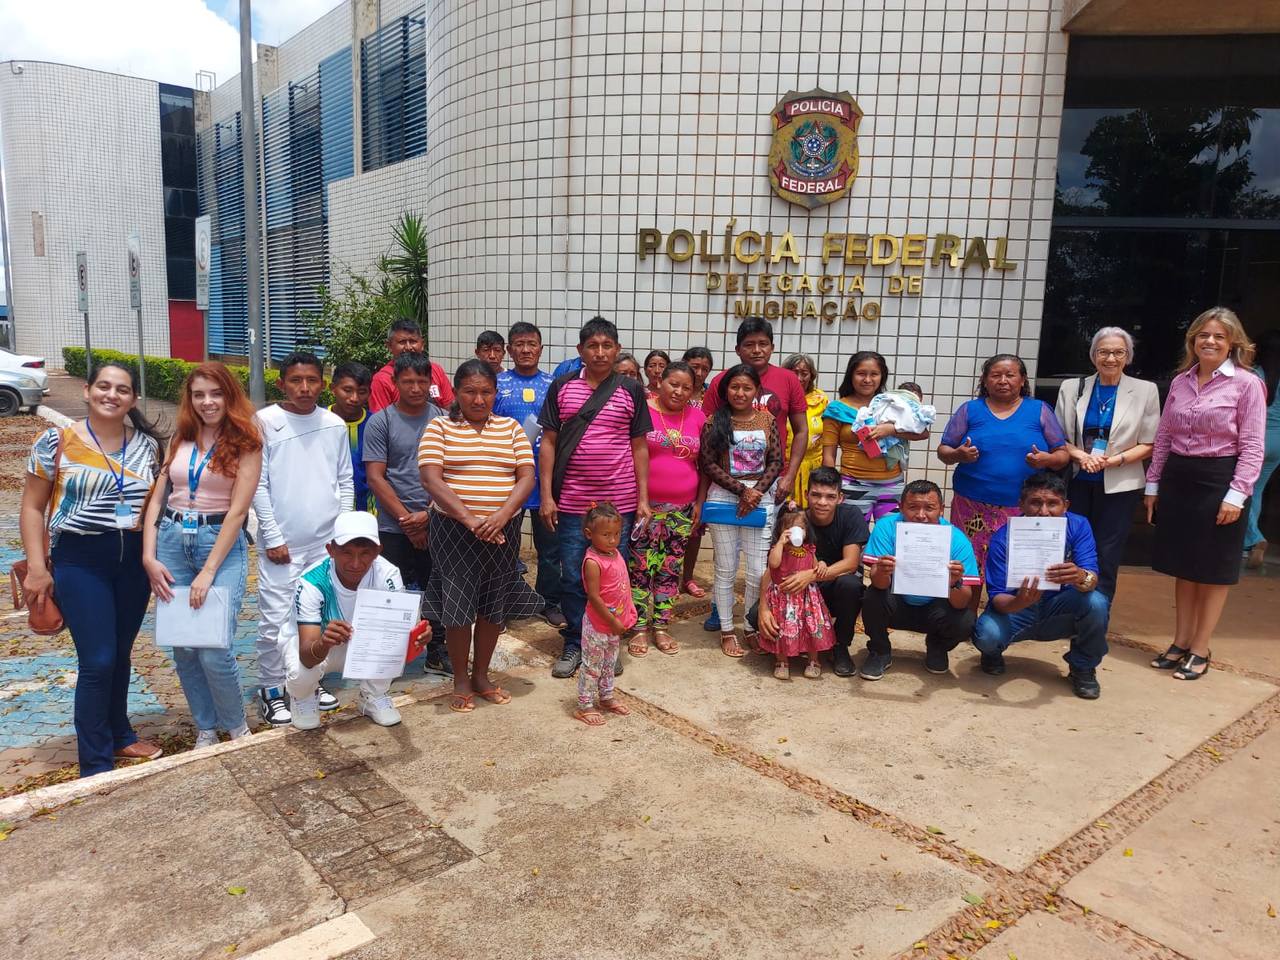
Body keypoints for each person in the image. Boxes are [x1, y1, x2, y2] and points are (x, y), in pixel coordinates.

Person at [19, 363, 164, 776]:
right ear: (86, 390)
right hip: (80, 560)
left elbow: (152, 507)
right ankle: (95, 763)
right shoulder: (56, 441)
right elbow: (31, 507)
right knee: (98, 660)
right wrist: (36, 567)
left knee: (120, 654)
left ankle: (120, 735)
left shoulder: (147, 447)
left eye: (122, 389)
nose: (112, 395)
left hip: (132, 561)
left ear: (133, 399)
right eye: (104, 386)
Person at [142, 362, 262, 747]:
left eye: (215, 393)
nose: (207, 402)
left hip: (219, 545)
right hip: (173, 541)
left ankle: (235, 725)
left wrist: (208, 571)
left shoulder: (247, 439)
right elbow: (157, 497)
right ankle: (206, 726)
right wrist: (149, 555)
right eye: (199, 395)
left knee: (213, 648)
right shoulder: (183, 435)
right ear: (189, 399)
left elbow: (239, 512)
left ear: (229, 395)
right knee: (184, 649)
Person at [1145, 307, 1267, 680]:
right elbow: (1164, 437)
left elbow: (1252, 446)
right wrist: (1153, 484)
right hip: (1180, 477)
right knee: (1184, 566)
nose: (1210, 342)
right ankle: (1180, 641)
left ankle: (1200, 647)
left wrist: (1236, 495)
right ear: (1193, 341)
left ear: (1232, 343)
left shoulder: (1247, 384)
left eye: (1218, 336)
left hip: (1220, 480)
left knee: (1212, 571)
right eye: (1203, 335)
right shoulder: (1180, 382)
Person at [419, 359, 544, 712]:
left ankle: (482, 675)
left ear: (495, 393)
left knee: (493, 605)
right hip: (453, 531)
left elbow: (526, 478)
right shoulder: (438, 429)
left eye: (486, 392)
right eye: (470, 392)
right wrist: (471, 519)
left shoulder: (512, 429)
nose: (478, 399)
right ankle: (460, 678)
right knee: (458, 607)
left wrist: (502, 515)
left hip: (502, 531)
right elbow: (431, 479)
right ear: (456, 393)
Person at [539, 317, 652, 678]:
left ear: (617, 349)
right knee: (573, 575)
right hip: (573, 503)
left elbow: (639, 446)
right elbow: (550, 444)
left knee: (614, 578)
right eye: (593, 346)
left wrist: (643, 498)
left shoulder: (631, 390)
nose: (600, 352)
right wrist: (546, 495)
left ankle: (607, 641)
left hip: (618, 503)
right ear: (580, 351)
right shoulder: (562, 387)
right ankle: (575, 642)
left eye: (607, 345)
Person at [252, 352, 354, 726]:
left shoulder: (333, 424)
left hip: (325, 544)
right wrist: (273, 535)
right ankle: (272, 688)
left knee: (316, 616)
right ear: (282, 383)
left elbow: (345, 480)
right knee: (274, 619)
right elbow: (257, 484)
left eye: (312, 380)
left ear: (323, 383)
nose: (305, 388)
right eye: (296, 380)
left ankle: (309, 682)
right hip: (282, 545)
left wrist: (341, 535)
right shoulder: (264, 422)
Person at [936, 353, 1070, 593]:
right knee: (968, 569)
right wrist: (959, 455)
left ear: (1022, 380)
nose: (1003, 380)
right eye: (995, 375)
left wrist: (1046, 460)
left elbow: (1062, 454)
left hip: (1022, 508)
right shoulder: (970, 410)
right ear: (985, 380)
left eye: (1010, 375)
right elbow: (943, 450)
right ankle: (966, 622)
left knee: (1015, 569)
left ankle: (1005, 620)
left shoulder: (1039, 409)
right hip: (971, 505)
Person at [972, 471, 1109, 699]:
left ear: (1065, 505)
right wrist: (1019, 601)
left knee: (1097, 602)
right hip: (1017, 611)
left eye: (1052, 504)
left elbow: (1091, 580)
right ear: (1021, 505)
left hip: (1060, 607)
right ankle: (993, 652)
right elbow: (996, 597)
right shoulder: (1003, 537)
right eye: (1035, 503)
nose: (1044, 512)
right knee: (987, 634)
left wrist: (1079, 575)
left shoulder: (1079, 526)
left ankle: (1083, 667)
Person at [1054, 327, 1161, 598]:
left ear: (1128, 356)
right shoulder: (1071, 388)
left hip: (1120, 485)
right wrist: (1083, 456)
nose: (1111, 358)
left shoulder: (1145, 390)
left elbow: (1149, 443)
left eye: (1118, 352)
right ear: (1093, 356)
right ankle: (1068, 611)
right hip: (1077, 480)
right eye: (1104, 352)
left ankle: (1097, 615)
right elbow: (1056, 437)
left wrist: (1111, 461)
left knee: (1107, 553)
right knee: (1072, 548)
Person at [284, 512, 417, 729]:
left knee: (396, 642)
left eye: (365, 553)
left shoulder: (388, 574)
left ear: (378, 551)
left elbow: (398, 632)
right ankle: (304, 696)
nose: (356, 563)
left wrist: (415, 639)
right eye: (346, 553)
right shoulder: (311, 581)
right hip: (317, 648)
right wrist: (325, 641)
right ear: (331, 550)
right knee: (300, 671)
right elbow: (307, 655)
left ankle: (373, 695)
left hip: (362, 645)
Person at [363, 351, 450, 675]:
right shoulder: (380, 421)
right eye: (408, 381)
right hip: (393, 525)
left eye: (421, 381)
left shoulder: (443, 419)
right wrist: (407, 521)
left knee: (439, 589)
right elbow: (376, 476)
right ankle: (386, 660)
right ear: (395, 383)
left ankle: (438, 652)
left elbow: (450, 475)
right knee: (390, 592)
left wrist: (428, 515)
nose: (415, 387)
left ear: (431, 383)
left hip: (439, 521)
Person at [698, 363, 784, 657]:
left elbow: (776, 460)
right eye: (734, 387)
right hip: (725, 498)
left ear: (756, 391)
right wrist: (742, 490)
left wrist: (757, 490)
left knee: (758, 571)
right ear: (725, 390)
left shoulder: (767, 419)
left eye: (747, 387)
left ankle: (750, 625)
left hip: (760, 499)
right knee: (725, 569)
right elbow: (707, 463)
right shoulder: (714, 421)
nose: (740, 392)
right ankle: (726, 629)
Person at [751, 467, 870, 677]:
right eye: (816, 495)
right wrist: (763, 607)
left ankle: (840, 648)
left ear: (840, 498)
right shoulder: (793, 520)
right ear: (807, 495)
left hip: (828, 588)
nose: (822, 502)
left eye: (830, 496)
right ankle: (787, 649)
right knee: (755, 617)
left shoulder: (851, 516)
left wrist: (810, 576)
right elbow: (771, 568)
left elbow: (851, 563)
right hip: (792, 592)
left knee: (851, 586)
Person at [860, 480, 980, 677]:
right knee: (872, 596)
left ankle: (937, 647)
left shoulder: (957, 539)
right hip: (897, 604)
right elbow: (878, 583)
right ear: (901, 507)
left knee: (966, 619)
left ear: (941, 509)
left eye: (929, 508)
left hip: (936, 609)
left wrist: (952, 582)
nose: (921, 515)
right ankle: (879, 650)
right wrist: (882, 570)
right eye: (913, 507)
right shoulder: (886, 527)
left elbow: (961, 602)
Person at [628, 361, 705, 657]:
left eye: (687, 387)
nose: (679, 391)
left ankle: (661, 625)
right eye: (674, 384)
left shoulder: (698, 417)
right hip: (645, 507)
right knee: (641, 568)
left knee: (669, 569)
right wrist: (642, 501)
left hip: (683, 509)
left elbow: (704, 465)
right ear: (660, 381)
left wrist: (699, 503)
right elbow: (634, 455)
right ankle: (638, 627)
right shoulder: (642, 410)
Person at [494, 321, 564, 627]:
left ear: (541, 348)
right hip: (505, 478)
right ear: (509, 350)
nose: (525, 350)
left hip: (545, 478)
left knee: (550, 547)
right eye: (519, 344)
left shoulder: (554, 384)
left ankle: (548, 601)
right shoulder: (496, 383)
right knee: (503, 545)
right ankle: (504, 600)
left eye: (531, 344)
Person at [703, 318, 808, 503]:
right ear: (738, 349)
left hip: (774, 479)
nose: (757, 350)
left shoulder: (789, 379)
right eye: (749, 345)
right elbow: (705, 434)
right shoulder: (721, 381)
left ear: (772, 347)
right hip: (727, 483)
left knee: (769, 531)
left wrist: (790, 476)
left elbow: (801, 430)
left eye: (763, 344)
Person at [822, 351, 929, 521]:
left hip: (892, 484)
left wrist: (891, 429)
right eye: (861, 374)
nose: (867, 380)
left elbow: (922, 432)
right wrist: (829, 489)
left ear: (882, 377)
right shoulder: (836, 409)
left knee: (889, 538)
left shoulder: (894, 403)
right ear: (851, 375)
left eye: (874, 374)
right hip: (853, 485)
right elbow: (828, 455)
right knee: (854, 540)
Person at [574, 502, 637, 726]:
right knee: (592, 665)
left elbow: (623, 585)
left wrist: (628, 611)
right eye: (606, 534)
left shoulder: (615, 553)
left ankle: (606, 696)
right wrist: (613, 621)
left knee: (609, 663)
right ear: (589, 534)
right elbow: (594, 597)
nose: (613, 539)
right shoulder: (593, 561)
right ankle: (585, 704)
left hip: (614, 624)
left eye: (617, 534)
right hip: (598, 625)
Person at [761, 508, 835, 680]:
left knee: (811, 627)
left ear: (806, 531)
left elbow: (815, 568)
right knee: (782, 628)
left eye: (800, 528)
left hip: (807, 597)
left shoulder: (809, 549)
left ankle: (813, 660)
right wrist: (780, 543)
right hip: (783, 597)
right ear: (780, 530)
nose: (796, 532)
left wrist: (822, 564)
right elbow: (773, 564)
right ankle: (782, 661)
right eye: (789, 528)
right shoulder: (779, 549)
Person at [680, 346, 715, 602]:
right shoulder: (673, 390)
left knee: (694, 527)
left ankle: (687, 577)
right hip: (674, 467)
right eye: (695, 367)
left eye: (705, 368)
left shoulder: (711, 396)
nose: (700, 372)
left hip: (701, 468)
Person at [1244, 331, 1280, 569]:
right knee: (1256, 491)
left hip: (1256, 440)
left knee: (1242, 490)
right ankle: (1248, 541)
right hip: (1278, 443)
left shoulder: (1254, 376)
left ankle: (1254, 539)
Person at [369, 319, 454, 412]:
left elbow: (449, 407)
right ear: (389, 345)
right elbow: (382, 421)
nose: (408, 347)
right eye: (402, 342)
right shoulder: (382, 380)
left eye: (413, 341)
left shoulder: (435, 369)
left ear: (422, 344)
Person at [781, 353, 828, 508]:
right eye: (794, 373)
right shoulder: (779, 398)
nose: (799, 378)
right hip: (785, 467)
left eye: (804, 373)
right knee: (785, 514)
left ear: (812, 376)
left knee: (812, 515)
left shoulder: (821, 399)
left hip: (814, 466)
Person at [329, 362, 373, 512]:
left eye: (361, 392)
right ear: (333, 388)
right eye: (347, 390)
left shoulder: (376, 425)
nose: (354, 398)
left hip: (368, 513)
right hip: (325, 514)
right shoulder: (318, 421)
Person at [682, 346, 713, 410]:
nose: (699, 373)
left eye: (705, 369)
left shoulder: (712, 393)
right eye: (695, 367)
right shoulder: (674, 391)